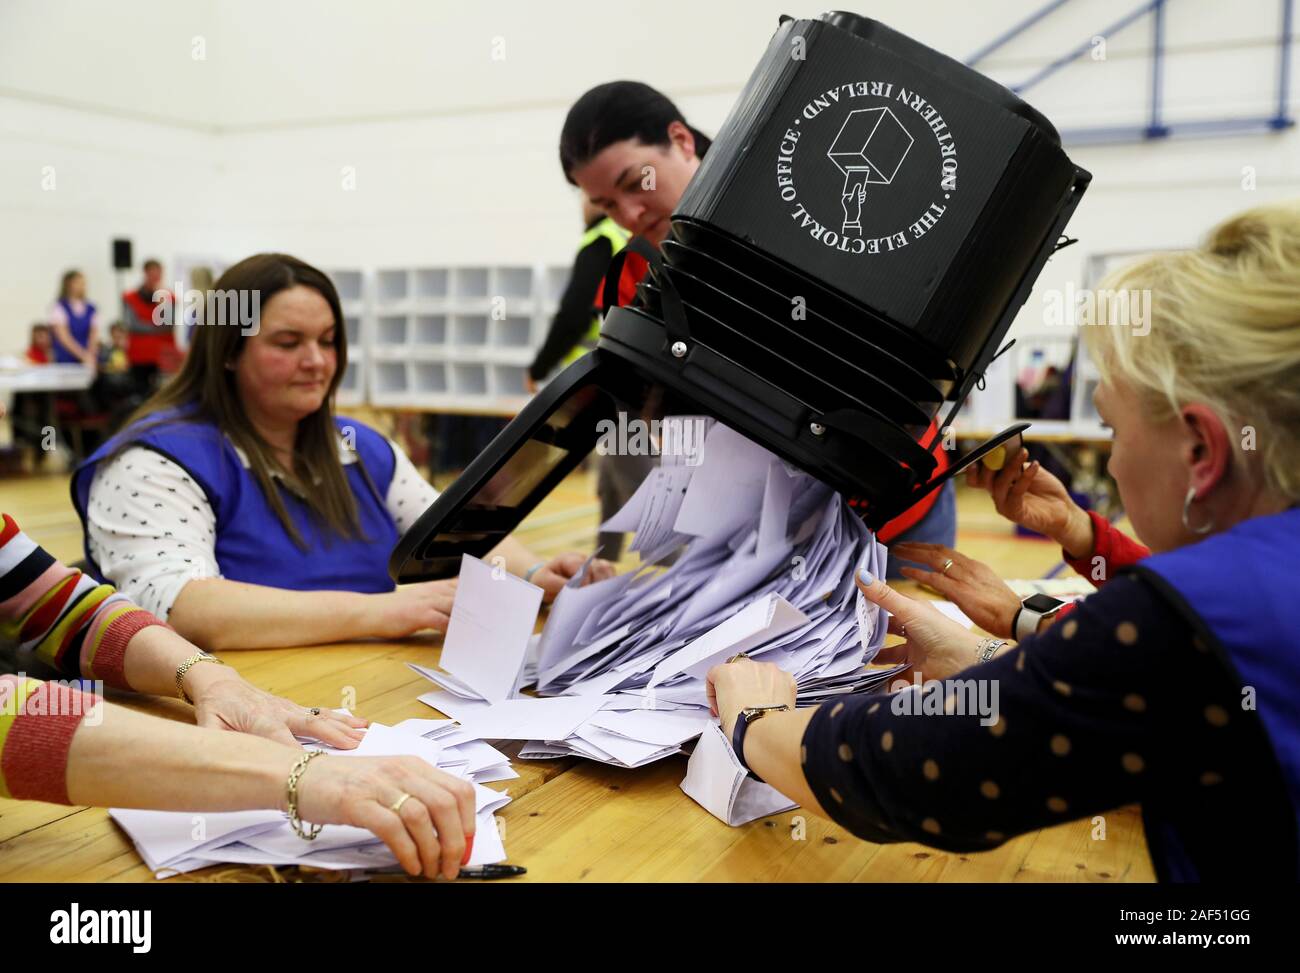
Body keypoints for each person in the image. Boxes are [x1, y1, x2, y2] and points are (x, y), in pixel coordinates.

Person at [705, 202, 1300, 881]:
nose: (1110, 463)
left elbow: (908, 771)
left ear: (1202, 448)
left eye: (1114, 431)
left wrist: (757, 719)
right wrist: (997, 650)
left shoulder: (1183, 622)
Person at [74, 253, 612, 651]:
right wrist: (385, 612)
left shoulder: (360, 447)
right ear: (228, 353)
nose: (317, 361)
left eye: (328, 341)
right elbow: (185, 610)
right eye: (288, 343)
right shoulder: (151, 462)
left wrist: (532, 573)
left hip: (367, 696)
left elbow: (455, 537)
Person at [559, 80, 956, 571]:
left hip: (898, 507)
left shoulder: (801, 199)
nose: (630, 215)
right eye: (608, 207)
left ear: (681, 140)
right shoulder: (633, 276)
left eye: (633, 183)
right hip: (763, 534)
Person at [120, 258, 176, 394]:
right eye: (152, 274)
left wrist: (162, 305)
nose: (155, 278)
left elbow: (168, 324)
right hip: (139, 354)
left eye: (158, 274)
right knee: (139, 390)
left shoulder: (168, 298)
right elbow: (132, 325)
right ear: (145, 273)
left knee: (163, 392)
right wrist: (156, 328)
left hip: (163, 355)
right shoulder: (130, 297)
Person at [47, 271, 101, 367]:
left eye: (83, 283)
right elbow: (63, 337)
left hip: (87, 359)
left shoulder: (91, 308)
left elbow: (94, 334)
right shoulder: (59, 307)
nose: (82, 286)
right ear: (68, 284)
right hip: (66, 359)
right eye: (78, 282)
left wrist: (90, 354)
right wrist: (82, 355)